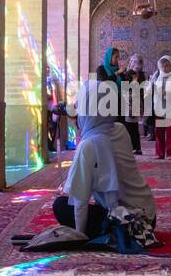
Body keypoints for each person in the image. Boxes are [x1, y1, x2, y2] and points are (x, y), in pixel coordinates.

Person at [55, 77, 157, 238]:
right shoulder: (121, 130)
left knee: (60, 206)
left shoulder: (88, 145)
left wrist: (79, 235)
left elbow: (80, 201)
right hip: (149, 218)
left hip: (127, 224)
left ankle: (109, 231)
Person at [151, 56, 171, 160]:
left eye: (167, 66)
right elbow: (150, 88)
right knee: (159, 131)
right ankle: (159, 153)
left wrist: (167, 93)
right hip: (159, 108)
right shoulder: (157, 75)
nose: (165, 68)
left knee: (170, 131)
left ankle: (170, 154)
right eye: (163, 66)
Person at [119, 53, 145, 154]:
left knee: (134, 126)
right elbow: (125, 87)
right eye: (134, 62)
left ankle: (136, 148)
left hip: (137, 102)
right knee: (130, 126)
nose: (136, 64)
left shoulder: (142, 74)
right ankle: (132, 147)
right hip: (128, 102)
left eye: (138, 62)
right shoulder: (128, 73)